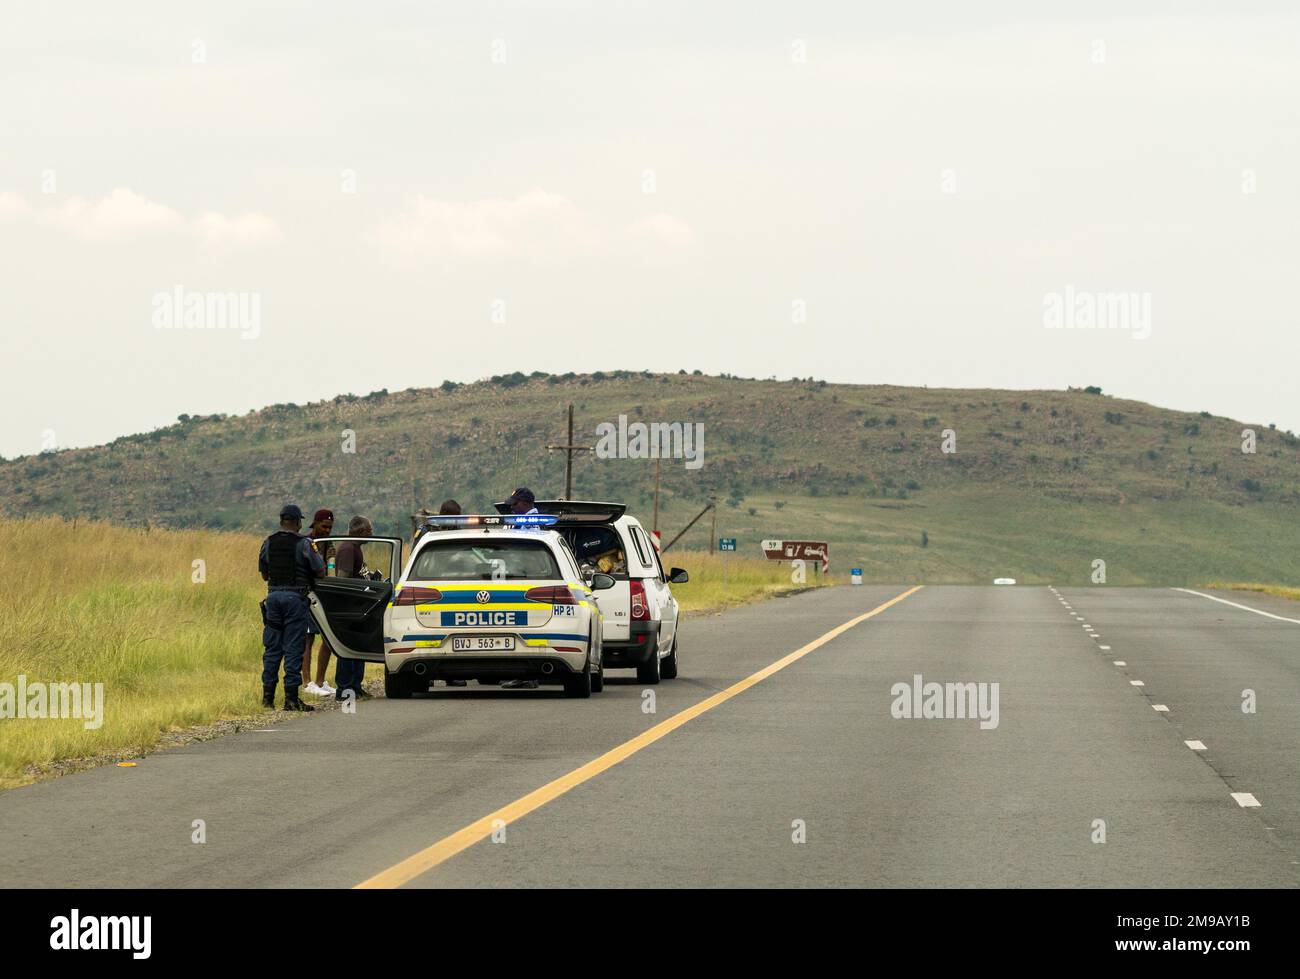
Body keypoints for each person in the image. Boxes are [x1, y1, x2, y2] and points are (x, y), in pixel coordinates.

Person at [258, 504, 325, 711]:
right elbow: (319, 571)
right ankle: (291, 698)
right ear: (298, 522)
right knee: (294, 647)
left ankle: (267, 698)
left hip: (273, 597)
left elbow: (264, 573)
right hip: (295, 599)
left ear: (281, 521)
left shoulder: (268, 542)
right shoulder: (304, 543)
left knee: (272, 648)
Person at [333, 515, 376, 702]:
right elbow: (343, 579)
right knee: (348, 646)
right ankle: (345, 687)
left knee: (358, 645)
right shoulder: (347, 549)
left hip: (359, 604)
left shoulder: (355, 548)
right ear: (359, 531)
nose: (371, 533)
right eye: (369, 530)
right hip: (350, 606)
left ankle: (355, 686)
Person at [501, 488, 540, 689]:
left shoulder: (530, 525)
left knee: (521, 632)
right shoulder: (525, 522)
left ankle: (527, 676)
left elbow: (522, 555)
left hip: (525, 582)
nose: (512, 508)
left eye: (514, 504)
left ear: (525, 503)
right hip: (523, 583)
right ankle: (522, 675)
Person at [303, 509, 336, 696]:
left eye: (330, 527)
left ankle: (320, 681)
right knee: (307, 637)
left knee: (328, 638)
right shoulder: (306, 543)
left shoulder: (328, 545)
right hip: (308, 595)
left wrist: (332, 559)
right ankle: (307, 682)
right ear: (315, 524)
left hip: (324, 595)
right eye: (324, 526)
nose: (327, 530)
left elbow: (330, 570)